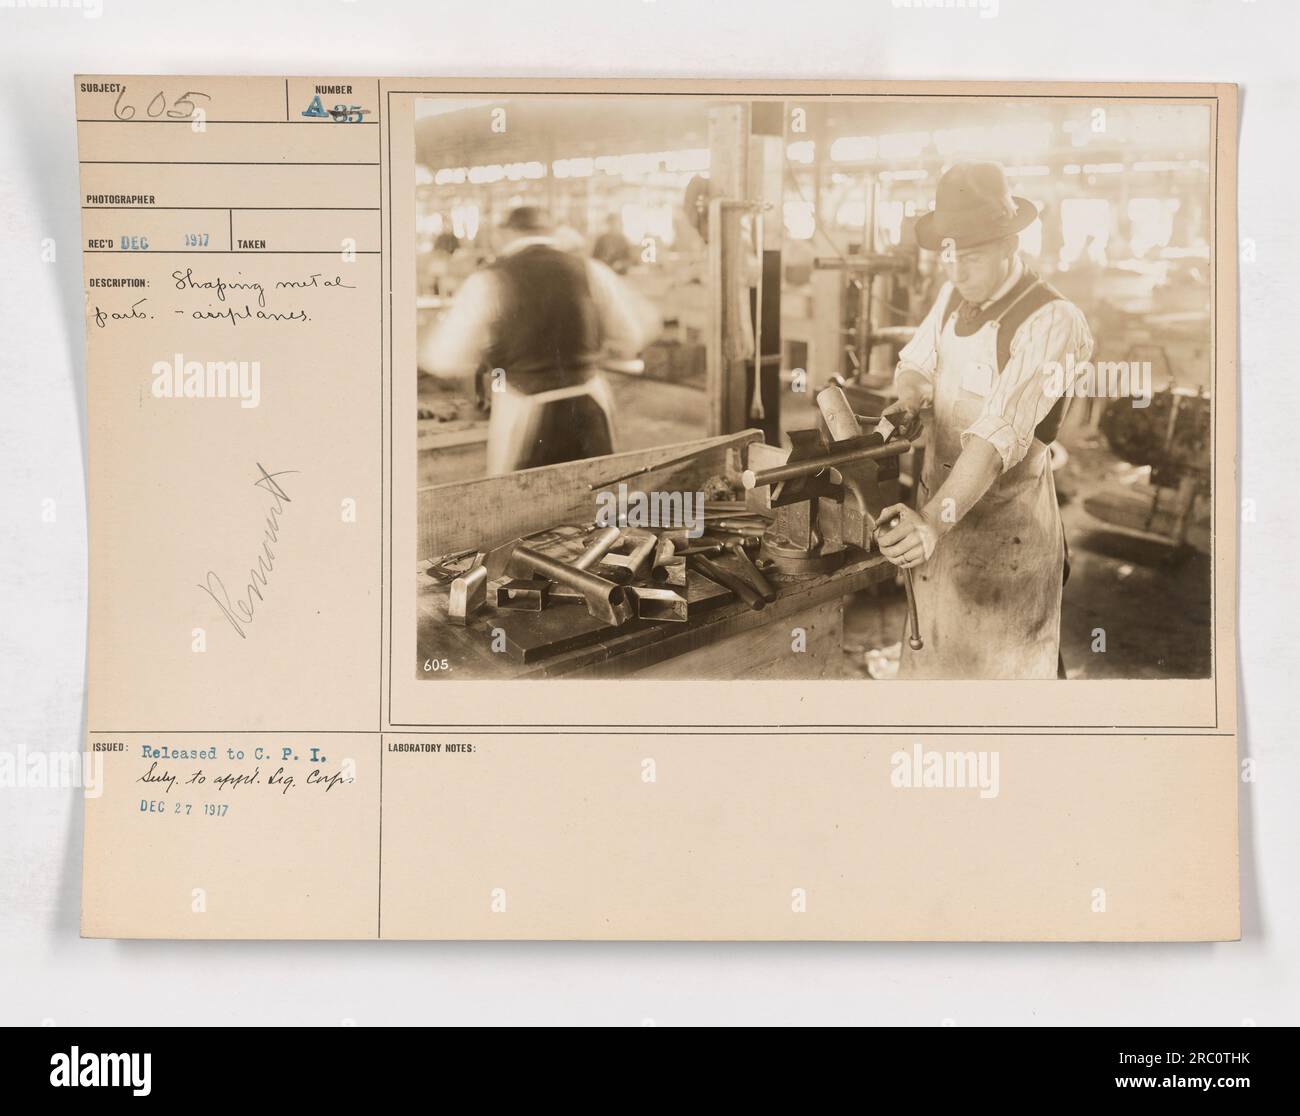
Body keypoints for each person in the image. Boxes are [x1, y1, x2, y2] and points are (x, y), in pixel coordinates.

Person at [876, 162, 1094, 679]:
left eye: (970, 259)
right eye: (949, 257)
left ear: (1009, 247)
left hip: (1006, 541)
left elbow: (997, 438)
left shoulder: (1052, 321)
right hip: (939, 531)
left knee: (999, 696)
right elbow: (917, 362)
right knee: (933, 682)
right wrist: (910, 400)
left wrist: (931, 521)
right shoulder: (956, 294)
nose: (956, 272)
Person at [423, 206, 658, 474]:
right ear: (550, 231)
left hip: (525, 409)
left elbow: (445, 358)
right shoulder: (590, 270)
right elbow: (632, 336)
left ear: (506, 233)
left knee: (521, 505)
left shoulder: (489, 278)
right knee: (599, 494)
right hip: (590, 401)